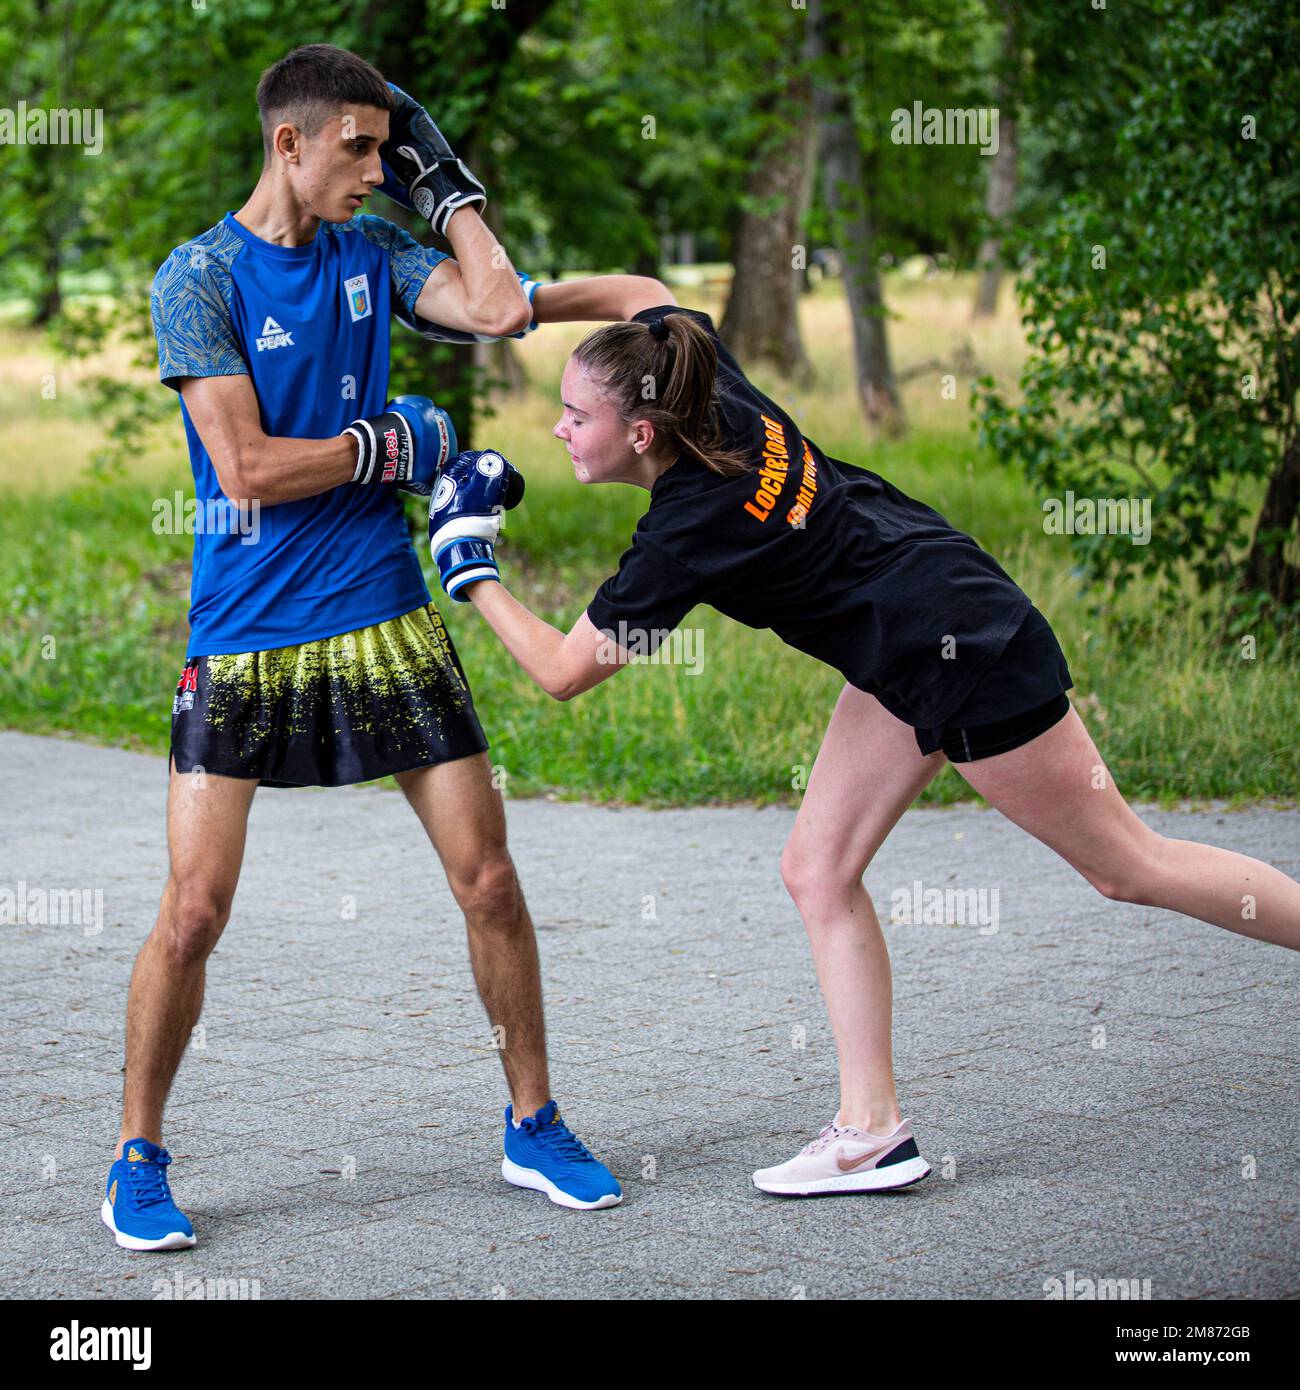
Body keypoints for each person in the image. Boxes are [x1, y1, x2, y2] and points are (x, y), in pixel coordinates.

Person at [427, 278, 1300, 1197]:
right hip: (913, 631)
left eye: (576, 416)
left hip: (967, 648)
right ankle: (870, 1132)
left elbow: (564, 672)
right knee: (818, 870)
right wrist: (520, 302)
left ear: (642, 433)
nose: (558, 429)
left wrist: (469, 563)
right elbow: (647, 292)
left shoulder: (688, 528)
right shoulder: (708, 386)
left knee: (1128, 866)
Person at [105, 45, 623, 1253]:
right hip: (245, 630)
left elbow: (499, 310)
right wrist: (388, 447)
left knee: (488, 879)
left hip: (383, 608)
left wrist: (448, 185)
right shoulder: (198, 278)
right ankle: (137, 1154)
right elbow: (245, 467)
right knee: (194, 910)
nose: (376, 169)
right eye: (361, 147)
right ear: (288, 142)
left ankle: (533, 1123)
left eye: (391, 150)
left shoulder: (374, 252)